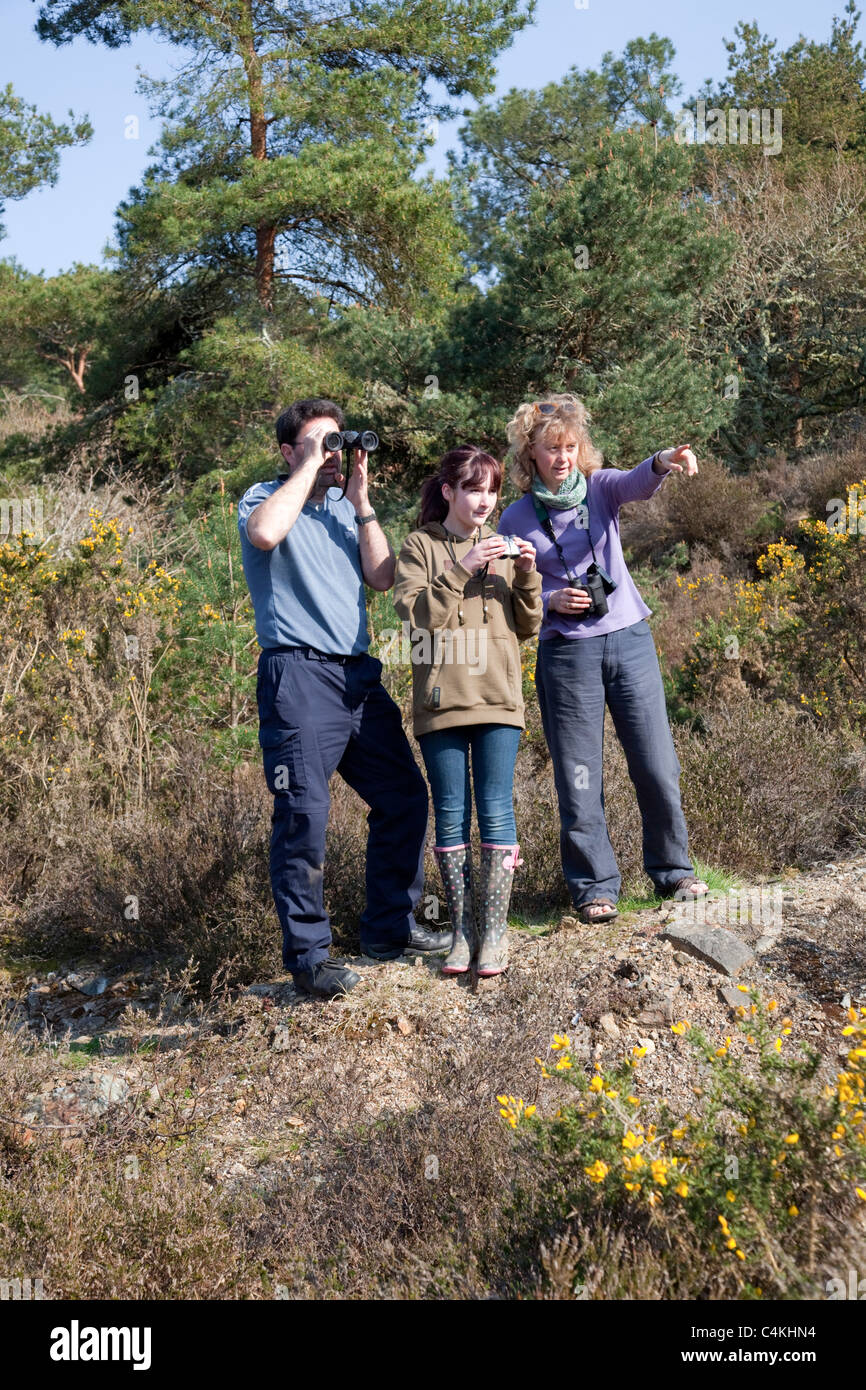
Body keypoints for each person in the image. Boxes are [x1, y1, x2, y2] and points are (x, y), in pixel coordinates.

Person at [237, 398, 450, 999]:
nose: (334, 453)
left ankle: (389, 929)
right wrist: (309, 467)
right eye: (319, 442)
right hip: (297, 675)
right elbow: (266, 533)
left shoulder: (341, 507)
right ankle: (309, 961)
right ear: (288, 452)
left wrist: (360, 504)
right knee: (305, 814)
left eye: (338, 441)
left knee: (404, 795)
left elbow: (382, 578)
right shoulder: (261, 497)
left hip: (356, 676)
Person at [498, 393, 710, 924]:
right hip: (566, 654)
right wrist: (550, 599)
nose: (563, 457)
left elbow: (637, 480)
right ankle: (595, 887)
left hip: (630, 639)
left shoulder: (599, 489)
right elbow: (508, 591)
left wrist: (665, 459)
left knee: (657, 764)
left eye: (570, 446)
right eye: (551, 449)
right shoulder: (516, 517)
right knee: (579, 774)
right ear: (531, 455)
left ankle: (674, 871)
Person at [393, 446, 542, 976]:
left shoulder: (503, 545)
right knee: (451, 814)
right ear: (449, 491)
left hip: (500, 699)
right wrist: (462, 567)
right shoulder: (420, 546)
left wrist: (525, 571)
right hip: (441, 703)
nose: (484, 500)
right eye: (474, 488)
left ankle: (495, 936)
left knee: (497, 809)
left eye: (492, 489)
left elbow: (527, 627)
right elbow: (413, 620)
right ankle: (462, 934)